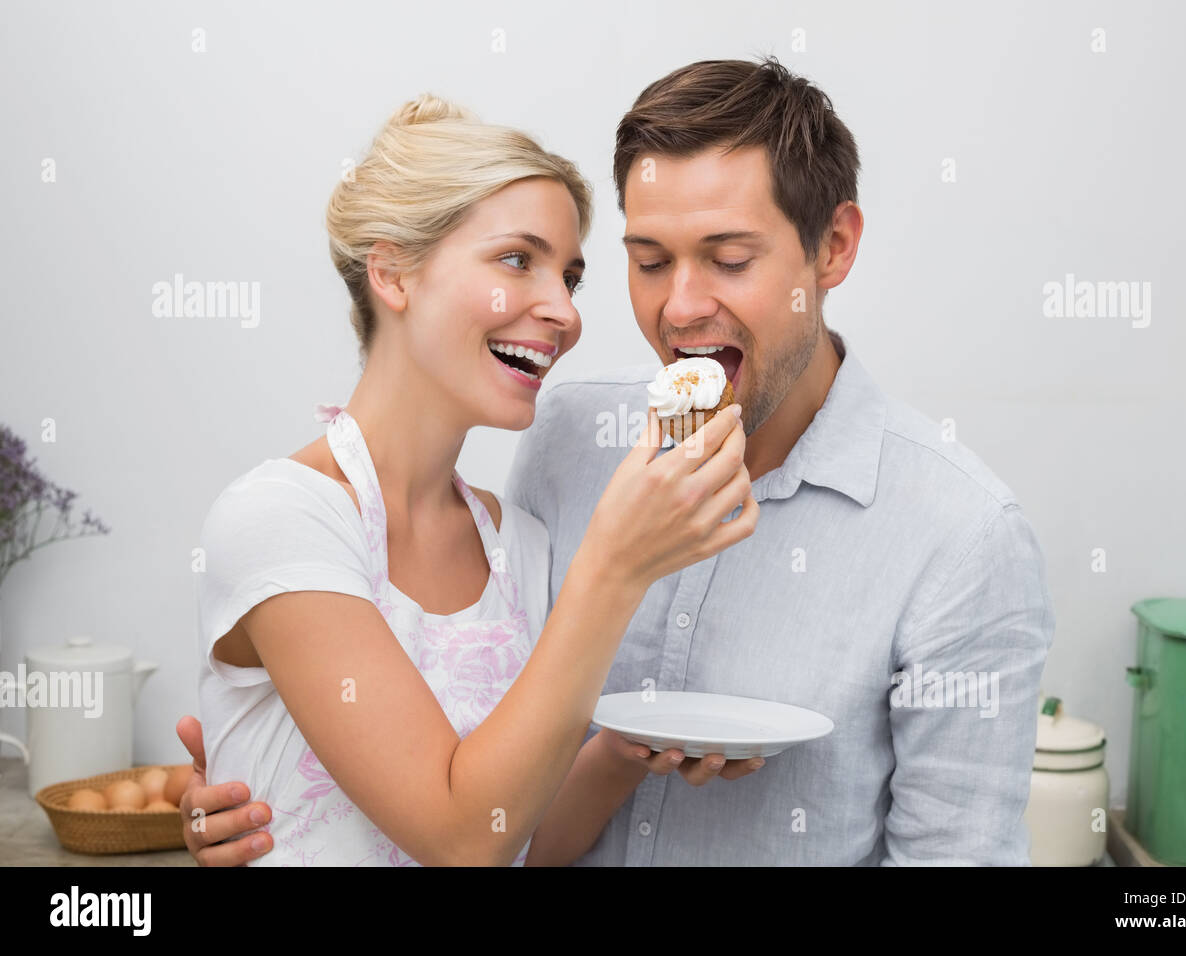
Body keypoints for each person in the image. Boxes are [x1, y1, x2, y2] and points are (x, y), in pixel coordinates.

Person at [184, 56, 1055, 866]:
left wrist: (618, 752)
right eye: (647, 262)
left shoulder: (962, 537)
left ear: (832, 248)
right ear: (393, 274)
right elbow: (472, 809)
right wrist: (271, 780)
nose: (679, 307)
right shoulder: (566, 439)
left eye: (729, 258)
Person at [184, 93, 758, 866]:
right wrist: (616, 567)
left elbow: (515, 839)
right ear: (392, 272)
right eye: (518, 260)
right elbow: (458, 836)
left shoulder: (516, 542)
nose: (563, 311)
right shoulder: (283, 519)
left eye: (572, 277)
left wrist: (626, 751)